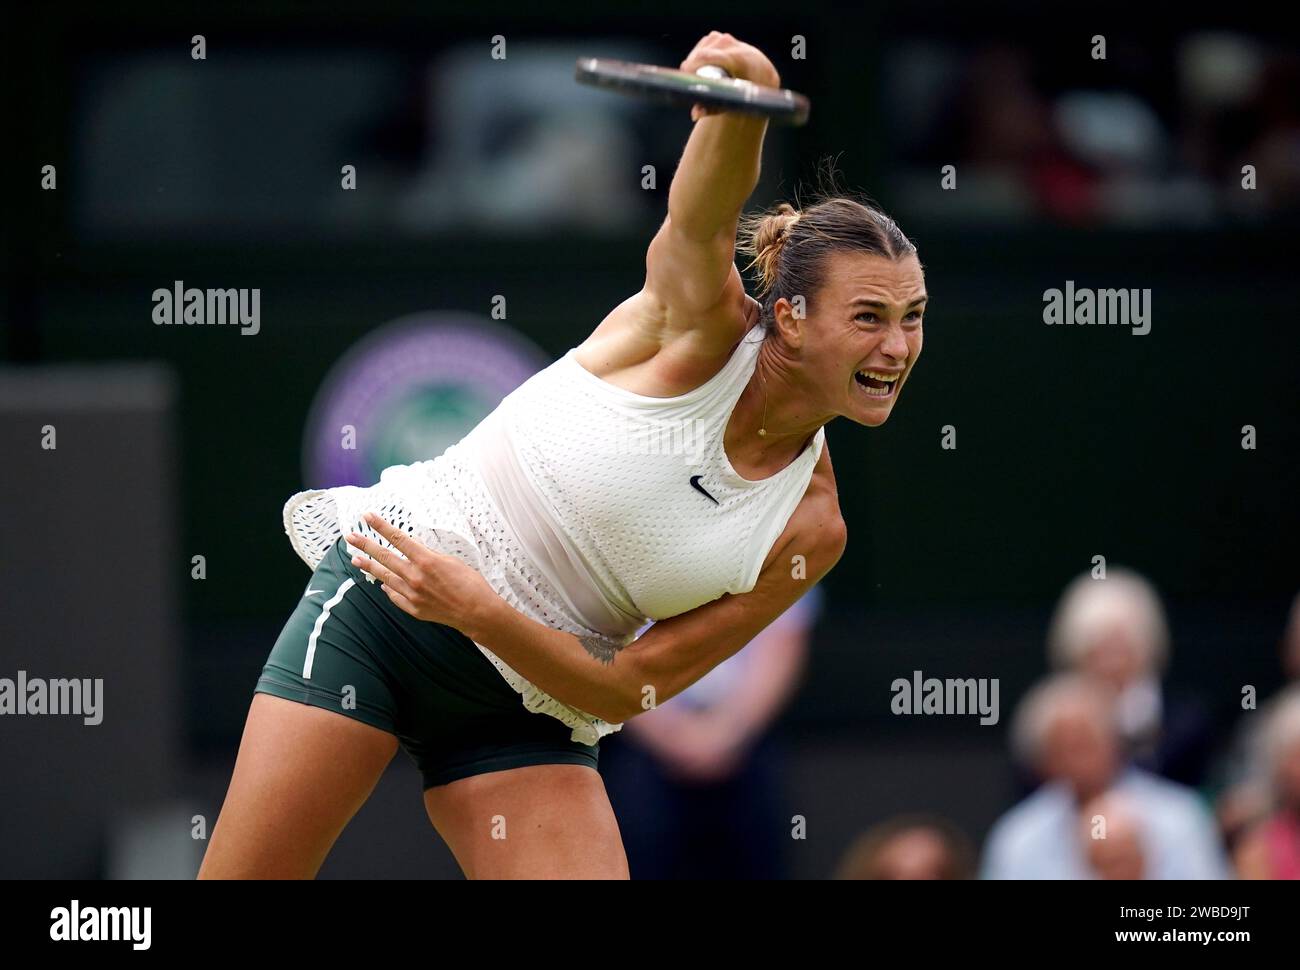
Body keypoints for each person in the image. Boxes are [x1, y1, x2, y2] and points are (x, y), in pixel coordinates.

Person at [200, 31, 927, 879]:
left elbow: (632, 687)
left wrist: (476, 611)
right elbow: (704, 211)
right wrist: (741, 110)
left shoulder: (812, 528)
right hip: (390, 604)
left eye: (912, 316)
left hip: (529, 704)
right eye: (870, 317)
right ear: (793, 316)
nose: (898, 346)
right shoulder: (696, 328)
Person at [600, 588, 821, 879]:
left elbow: (785, 637)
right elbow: (602, 648)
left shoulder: (776, 544)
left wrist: (728, 731)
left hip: (746, 742)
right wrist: (670, 733)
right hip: (641, 743)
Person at [981, 674, 1229, 879]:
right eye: (1062, 748)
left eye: (1085, 743)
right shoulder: (1018, 837)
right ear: (1042, 762)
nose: (1076, 760)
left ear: (1114, 741)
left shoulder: (1180, 818)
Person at [1047, 568, 1213, 786]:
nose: (1109, 662)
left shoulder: (1186, 721)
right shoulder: (1054, 723)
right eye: (1097, 650)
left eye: (1119, 647)